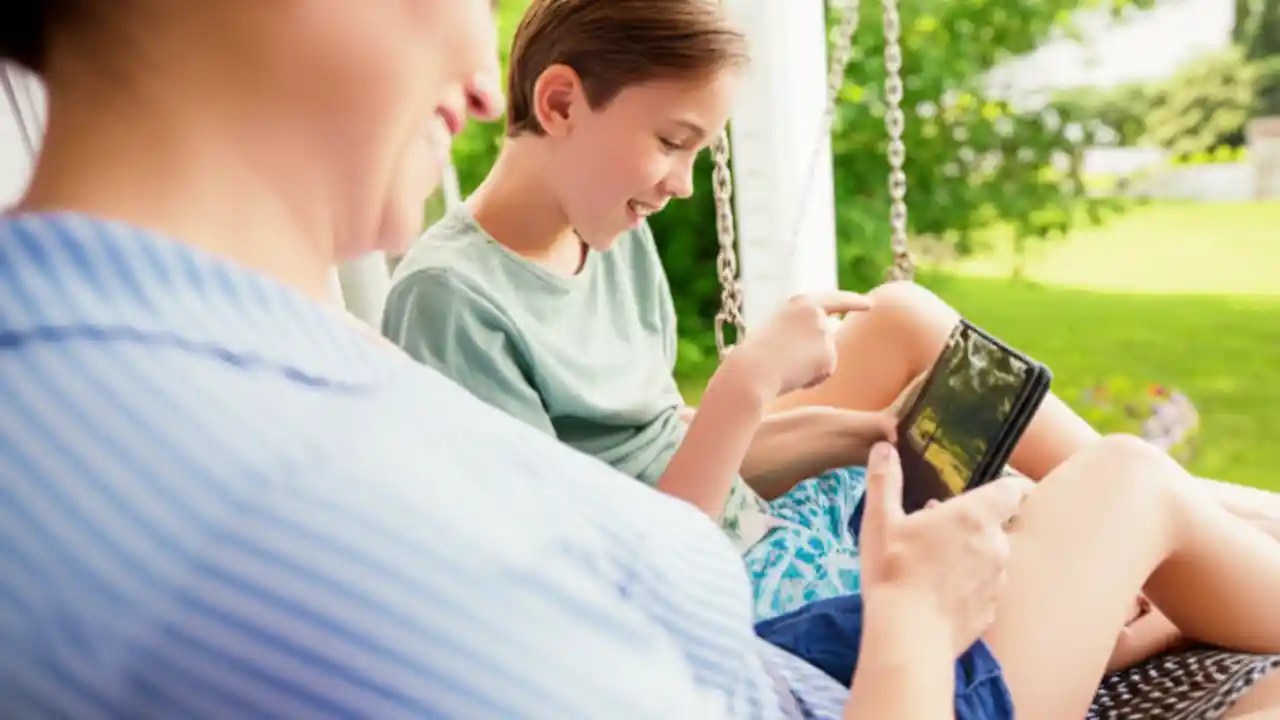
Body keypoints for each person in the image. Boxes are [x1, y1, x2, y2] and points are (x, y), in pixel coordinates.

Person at [4, 2, 1280, 719]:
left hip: (775, 635)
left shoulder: (239, 348)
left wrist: (836, 447)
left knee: (1004, 421)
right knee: (1125, 485)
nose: (472, 56)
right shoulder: (292, 510)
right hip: (828, 666)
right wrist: (910, 630)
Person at [382, 0, 1280, 632]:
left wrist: (862, 434)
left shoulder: (604, 230)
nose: (680, 185)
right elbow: (625, 576)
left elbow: (658, 442)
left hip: (715, 507)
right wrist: (747, 382)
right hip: (699, 576)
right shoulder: (455, 302)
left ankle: (1194, 539)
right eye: (671, 143)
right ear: (561, 103)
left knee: (900, 317)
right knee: (1117, 494)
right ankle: (1179, 559)